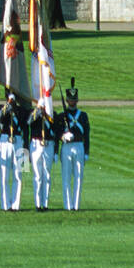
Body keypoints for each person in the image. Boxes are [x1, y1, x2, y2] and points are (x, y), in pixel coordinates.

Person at [55, 79, 90, 211]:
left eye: (74, 100)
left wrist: (86, 152)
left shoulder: (83, 116)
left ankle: (76, 205)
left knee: (79, 177)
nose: (72, 102)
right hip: (66, 147)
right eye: (70, 99)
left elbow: (86, 134)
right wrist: (62, 136)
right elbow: (56, 132)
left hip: (79, 146)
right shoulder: (62, 116)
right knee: (66, 177)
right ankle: (68, 205)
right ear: (67, 100)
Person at [0, 91, 28, 211]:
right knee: (4, 175)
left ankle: (16, 205)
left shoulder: (23, 110)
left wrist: (26, 151)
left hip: (19, 140)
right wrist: (7, 108)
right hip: (5, 140)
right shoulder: (2, 108)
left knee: (18, 175)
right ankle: (5, 204)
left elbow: (26, 130)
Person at [27, 101, 56, 211]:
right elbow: (29, 122)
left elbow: (55, 131)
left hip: (48, 144)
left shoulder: (52, 115)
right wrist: (38, 110)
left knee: (47, 175)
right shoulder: (34, 114)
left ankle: (46, 203)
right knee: (38, 176)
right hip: (36, 144)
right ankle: (38, 204)